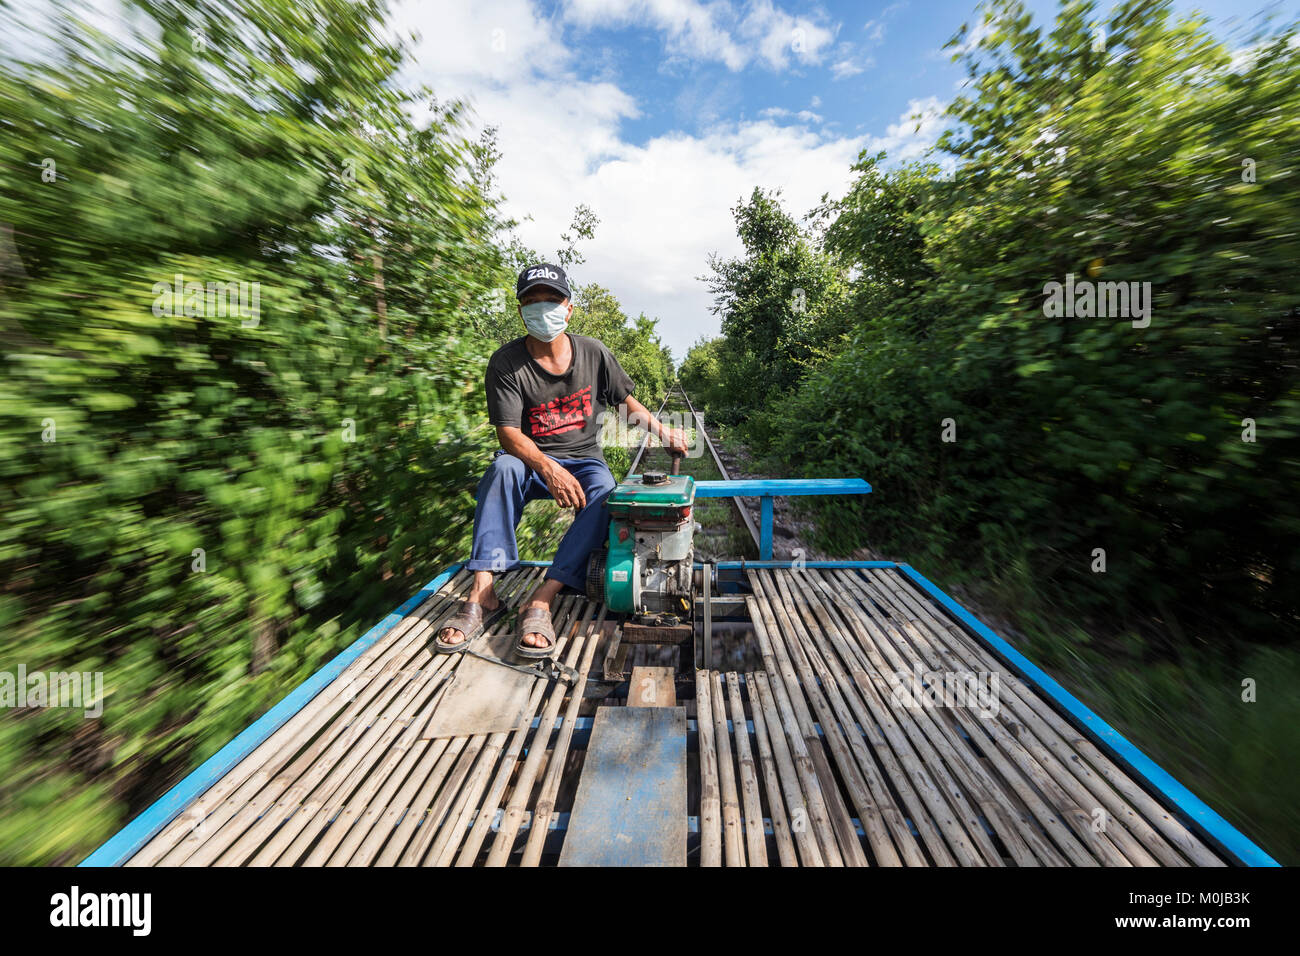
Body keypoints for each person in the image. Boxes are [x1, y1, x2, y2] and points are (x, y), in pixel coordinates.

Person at [435, 262, 688, 657]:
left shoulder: (592, 352)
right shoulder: (507, 363)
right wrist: (548, 467)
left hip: (584, 459)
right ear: (520, 311)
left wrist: (664, 431)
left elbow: (625, 403)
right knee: (501, 469)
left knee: (606, 492)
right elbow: (508, 433)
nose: (542, 309)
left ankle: (543, 596)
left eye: (551, 300)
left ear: (568, 307)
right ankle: (483, 591)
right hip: (530, 460)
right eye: (531, 302)